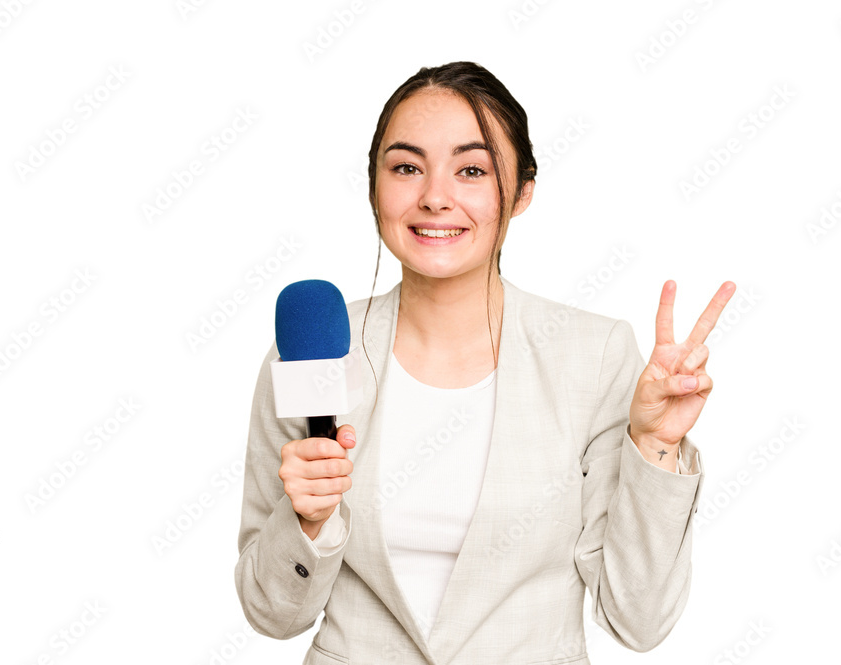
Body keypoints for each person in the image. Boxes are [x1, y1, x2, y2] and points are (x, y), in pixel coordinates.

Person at [234, 61, 735, 664]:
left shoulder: (593, 357)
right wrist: (307, 522)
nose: (434, 197)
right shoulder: (314, 348)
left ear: (521, 191)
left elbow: (638, 621)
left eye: (471, 170)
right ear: (374, 185)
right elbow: (270, 614)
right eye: (406, 167)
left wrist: (655, 445)